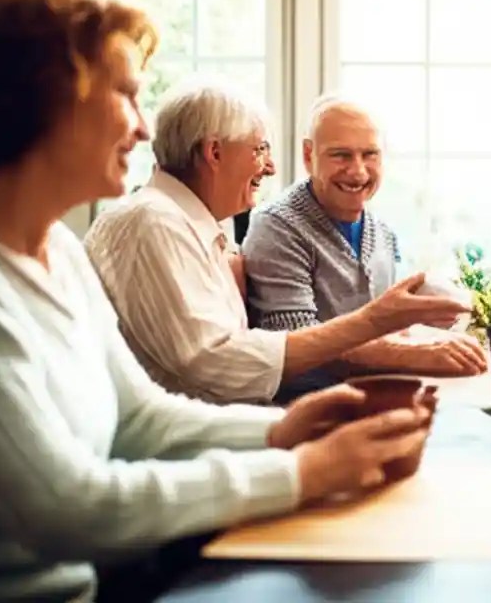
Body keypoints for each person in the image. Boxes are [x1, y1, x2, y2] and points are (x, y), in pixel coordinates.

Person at [0, 0, 453, 601]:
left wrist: (281, 431)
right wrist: (298, 471)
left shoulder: (54, 248)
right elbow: (66, 508)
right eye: (125, 95)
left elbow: (138, 418)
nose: (145, 130)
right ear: (48, 100)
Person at [85, 81, 467, 404]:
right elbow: (217, 366)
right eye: (260, 149)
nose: (270, 167)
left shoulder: (195, 229)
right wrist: (378, 326)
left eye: (370, 154)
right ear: (214, 153)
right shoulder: (155, 223)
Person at [243, 96, 487, 402]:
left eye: (370, 154)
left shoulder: (382, 233)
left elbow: (387, 330)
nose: (358, 172)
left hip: (377, 401)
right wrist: (416, 355)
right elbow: (293, 342)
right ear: (309, 155)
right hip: (305, 415)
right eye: (341, 155)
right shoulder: (277, 227)